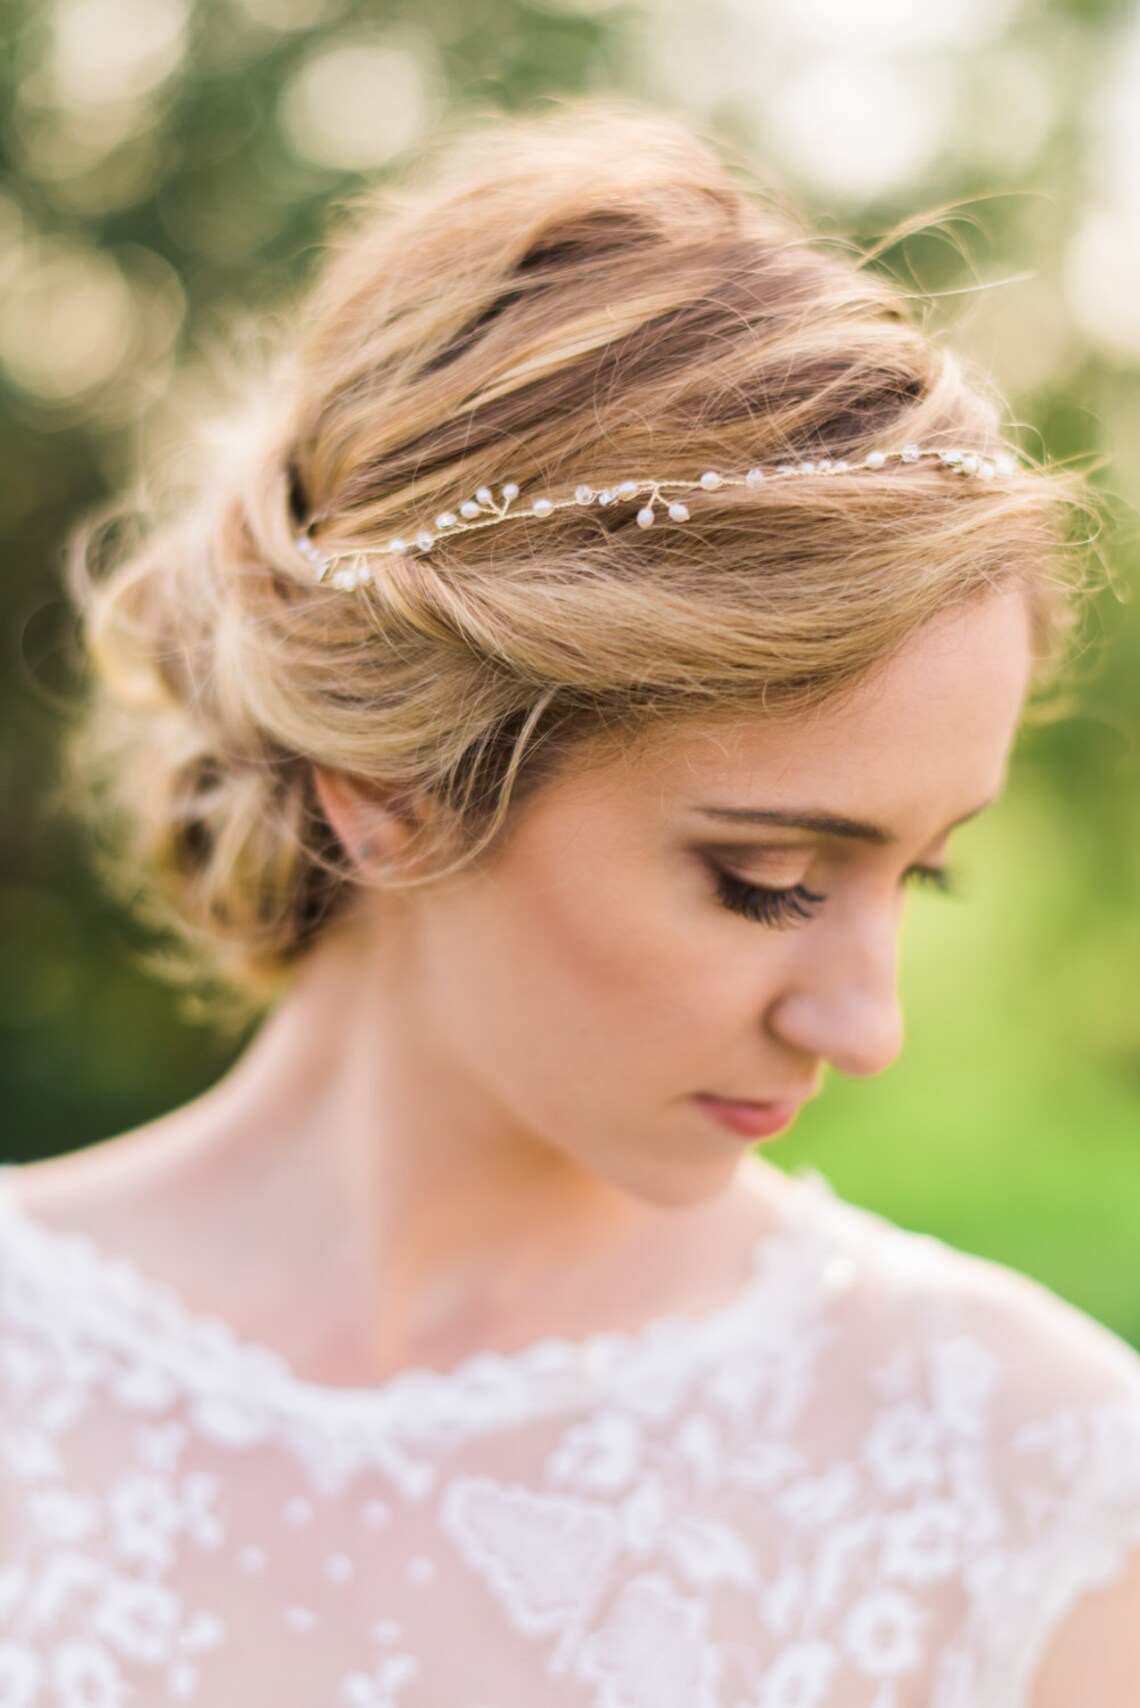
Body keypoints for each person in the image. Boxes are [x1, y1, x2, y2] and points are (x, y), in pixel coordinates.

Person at [1, 96, 1137, 1708]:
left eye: (922, 872)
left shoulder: (1034, 1479)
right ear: (386, 790)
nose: (864, 1028)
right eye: (768, 883)